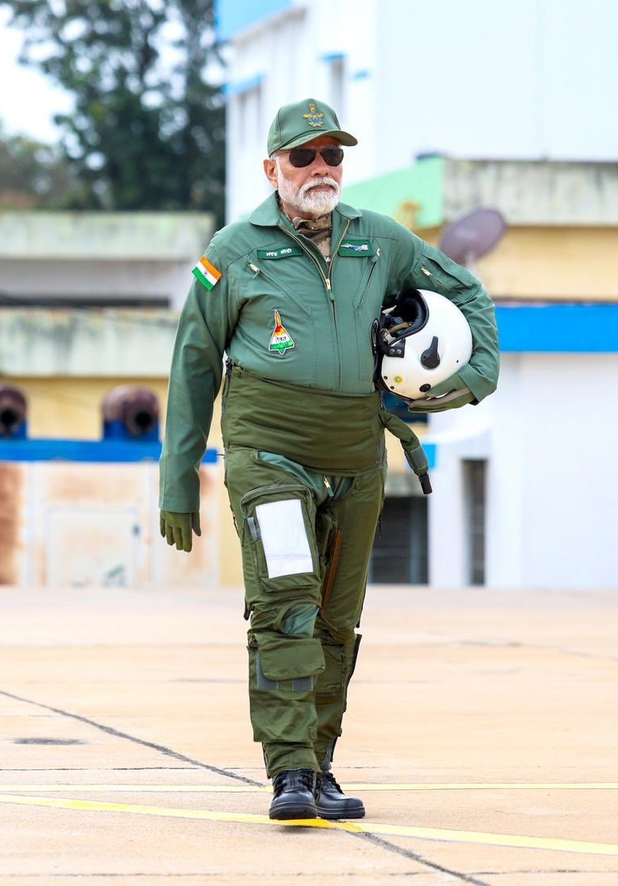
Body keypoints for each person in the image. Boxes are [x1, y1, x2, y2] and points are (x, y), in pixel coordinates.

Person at [159, 98, 500, 821]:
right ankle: (289, 771)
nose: (320, 168)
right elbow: (194, 362)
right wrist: (178, 475)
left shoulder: (379, 241)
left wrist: (476, 376)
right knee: (288, 605)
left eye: (332, 155)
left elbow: (465, 290)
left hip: (355, 454)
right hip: (268, 450)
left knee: (337, 621)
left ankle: (321, 766)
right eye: (303, 156)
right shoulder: (230, 252)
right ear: (271, 168)